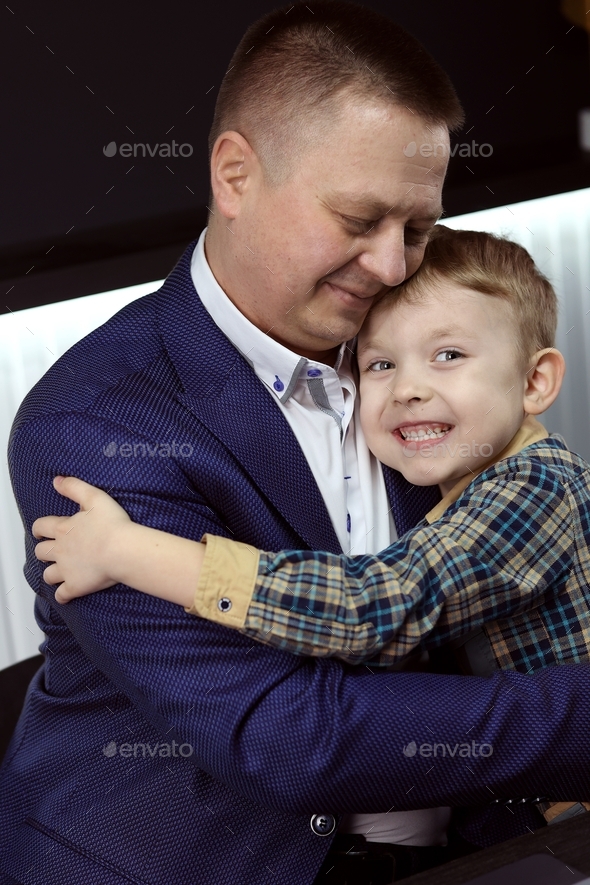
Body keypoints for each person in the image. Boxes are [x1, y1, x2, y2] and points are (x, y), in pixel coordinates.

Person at [3, 3, 590, 884]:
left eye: (418, 228)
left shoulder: (424, 351)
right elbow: (288, 739)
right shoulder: (95, 421)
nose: (394, 266)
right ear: (235, 175)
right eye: (359, 218)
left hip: (467, 841)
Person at [35, 224, 590, 831]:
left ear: (536, 381)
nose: (408, 389)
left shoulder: (532, 488)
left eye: (449, 355)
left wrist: (126, 549)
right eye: (380, 363)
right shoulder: (87, 414)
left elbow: (370, 607)